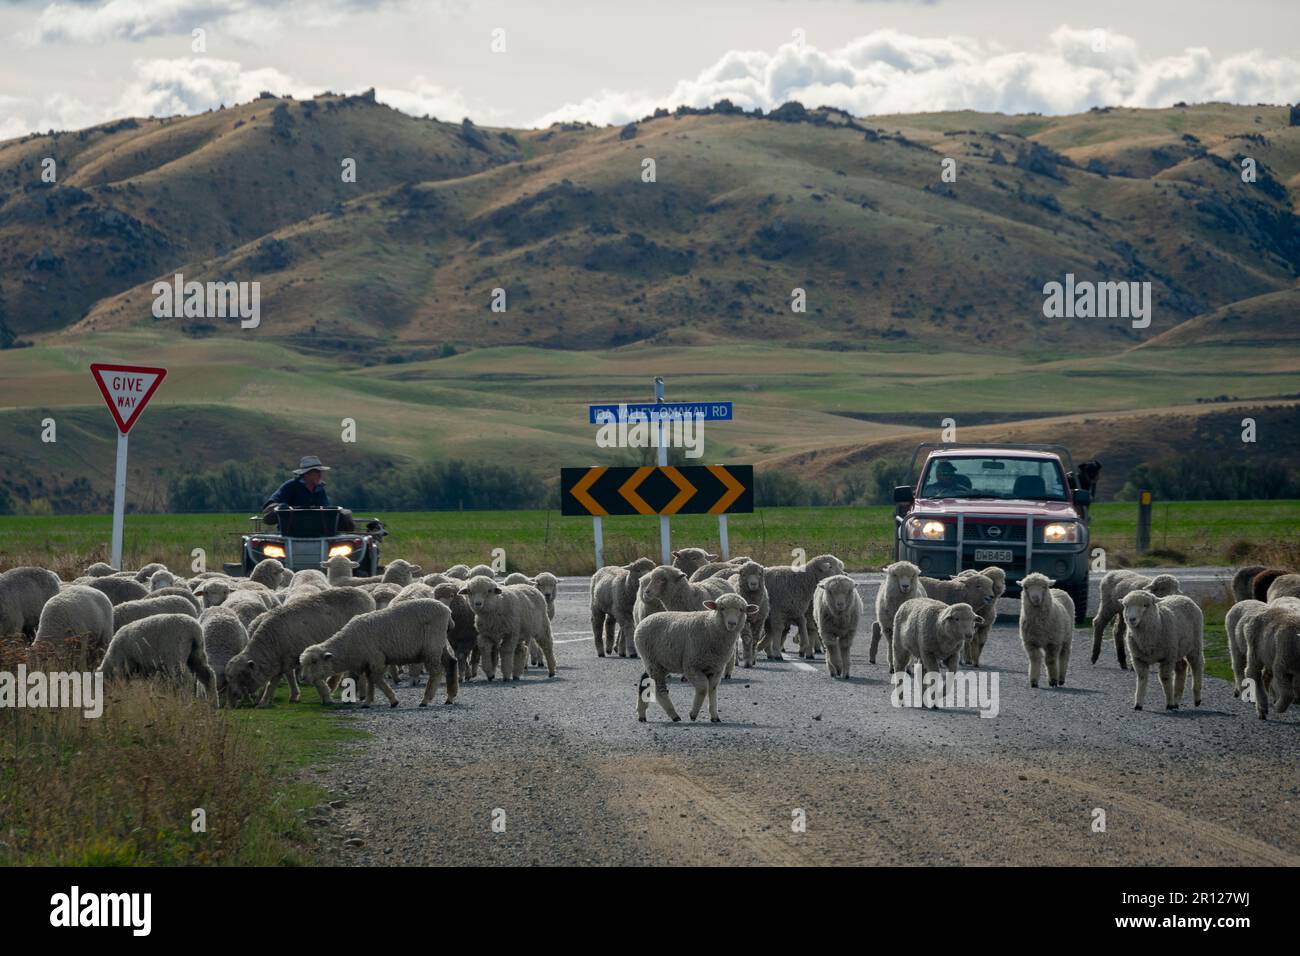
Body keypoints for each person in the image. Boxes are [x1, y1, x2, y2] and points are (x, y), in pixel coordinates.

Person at [262, 455, 356, 532]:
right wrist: (283, 508)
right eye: (316, 471)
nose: (320, 475)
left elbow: (326, 510)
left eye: (320, 471)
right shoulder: (290, 486)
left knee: (345, 514)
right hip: (290, 532)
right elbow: (270, 506)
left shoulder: (320, 489)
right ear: (306, 474)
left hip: (318, 532)